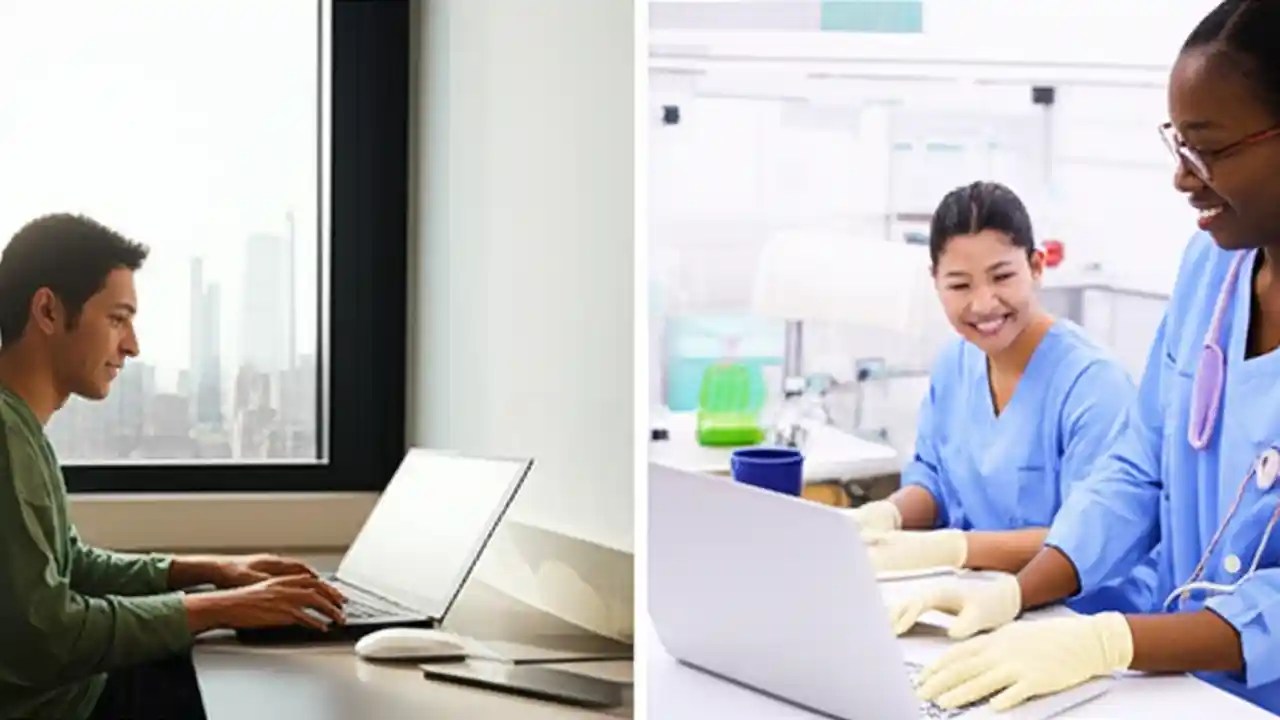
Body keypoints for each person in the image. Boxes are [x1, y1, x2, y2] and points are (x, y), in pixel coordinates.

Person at [889, 1, 1280, 714]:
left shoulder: (1082, 374)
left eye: (1210, 149)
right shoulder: (1209, 273)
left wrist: (1110, 642)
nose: (1184, 179)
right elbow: (1138, 470)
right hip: (1185, 688)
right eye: (1178, 146)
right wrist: (1022, 589)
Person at [0, 214, 349, 720]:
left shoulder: (22, 430)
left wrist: (214, 572)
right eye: (118, 318)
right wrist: (221, 607)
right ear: (48, 310)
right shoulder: (6, 436)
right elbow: (47, 633)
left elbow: (72, 567)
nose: (132, 345)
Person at [845, 181, 1154, 620]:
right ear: (935, 283)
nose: (983, 303)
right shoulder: (956, 363)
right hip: (979, 596)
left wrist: (953, 548)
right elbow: (934, 479)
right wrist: (885, 519)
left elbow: (1093, 534)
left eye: (1002, 276)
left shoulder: (1093, 385)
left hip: (1081, 618)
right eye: (959, 284)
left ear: (1036, 266)